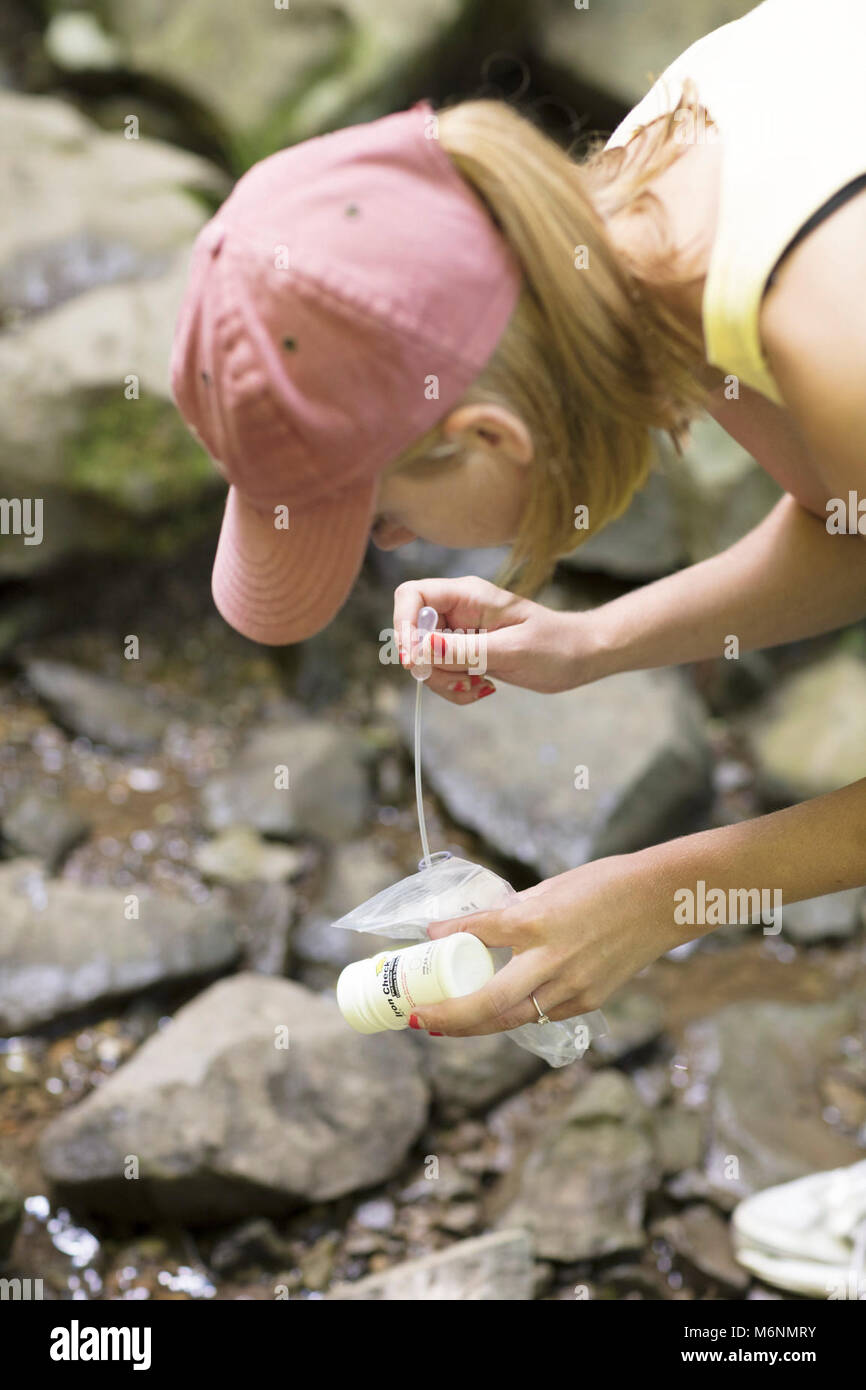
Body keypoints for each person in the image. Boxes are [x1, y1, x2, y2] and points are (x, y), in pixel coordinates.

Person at [170, 0, 866, 1039]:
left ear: (490, 437)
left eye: (380, 514)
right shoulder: (662, 186)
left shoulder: (829, 326)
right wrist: (591, 642)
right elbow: (849, 520)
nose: (392, 545)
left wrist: (659, 897)